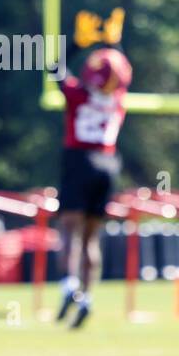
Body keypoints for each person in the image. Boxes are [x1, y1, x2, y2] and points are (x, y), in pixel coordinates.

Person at [55, 47, 132, 328]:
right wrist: (114, 42)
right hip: (108, 163)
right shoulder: (118, 100)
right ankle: (87, 298)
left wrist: (76, 43)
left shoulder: (79, 96)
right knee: (91, 238)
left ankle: (69, 286)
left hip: (79, 160)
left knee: (68, 231)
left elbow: (55, 69)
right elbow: (119, 73)